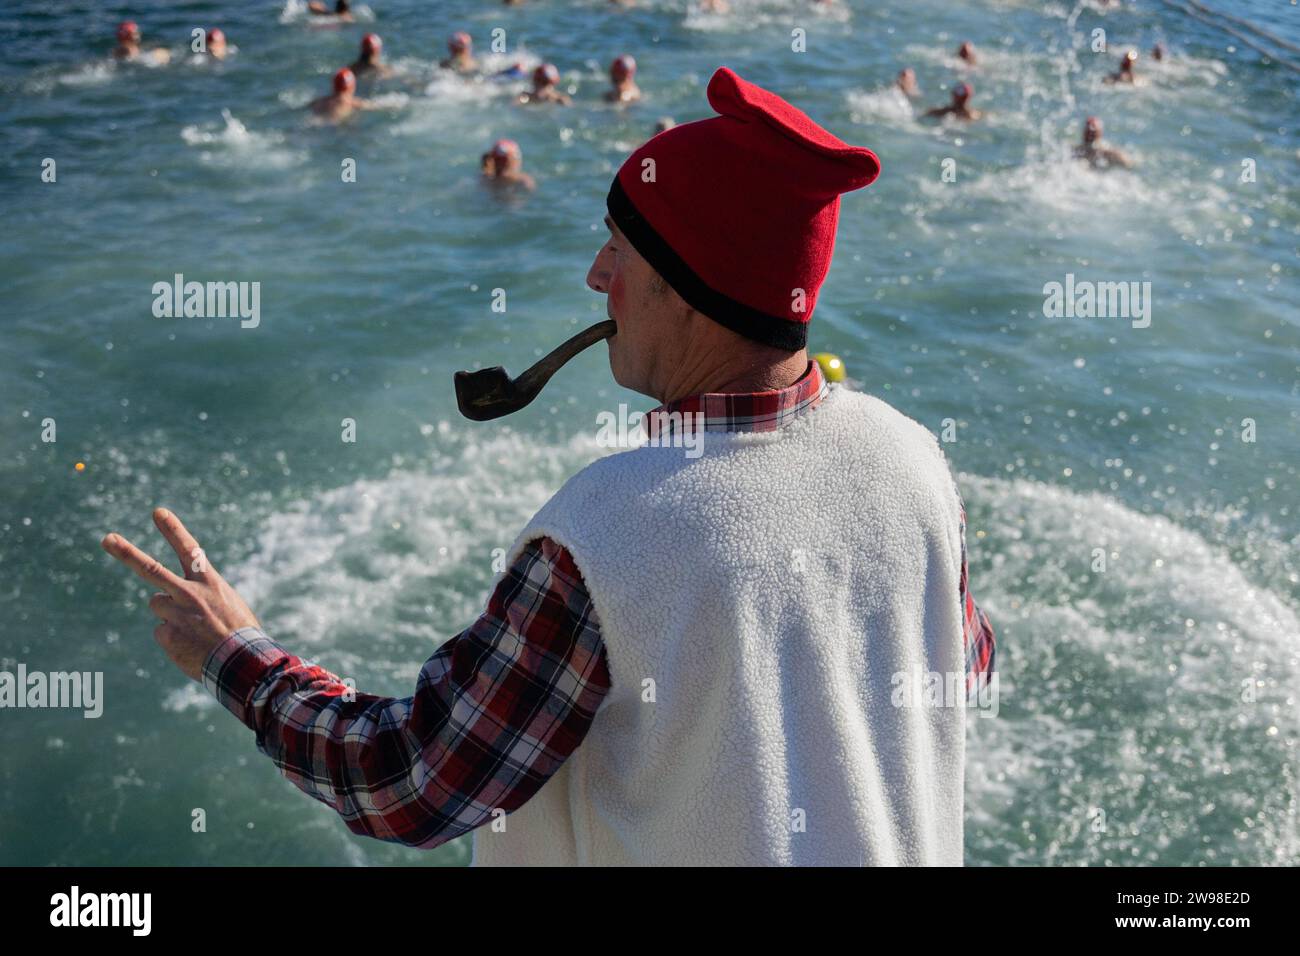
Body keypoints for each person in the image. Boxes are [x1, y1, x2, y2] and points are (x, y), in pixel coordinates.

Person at [102, 66, 995, 867]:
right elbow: (966, 661)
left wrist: (236, 655)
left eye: (619, 248)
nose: (594, 275)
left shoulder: (606, 534)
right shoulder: (910, 458)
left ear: (686, 287)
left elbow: (409, 784)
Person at [308, 67, 374, 121]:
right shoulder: (354, 103)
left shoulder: (319, 101)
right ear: (352, 86)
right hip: (335, 125)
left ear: (334, 85)